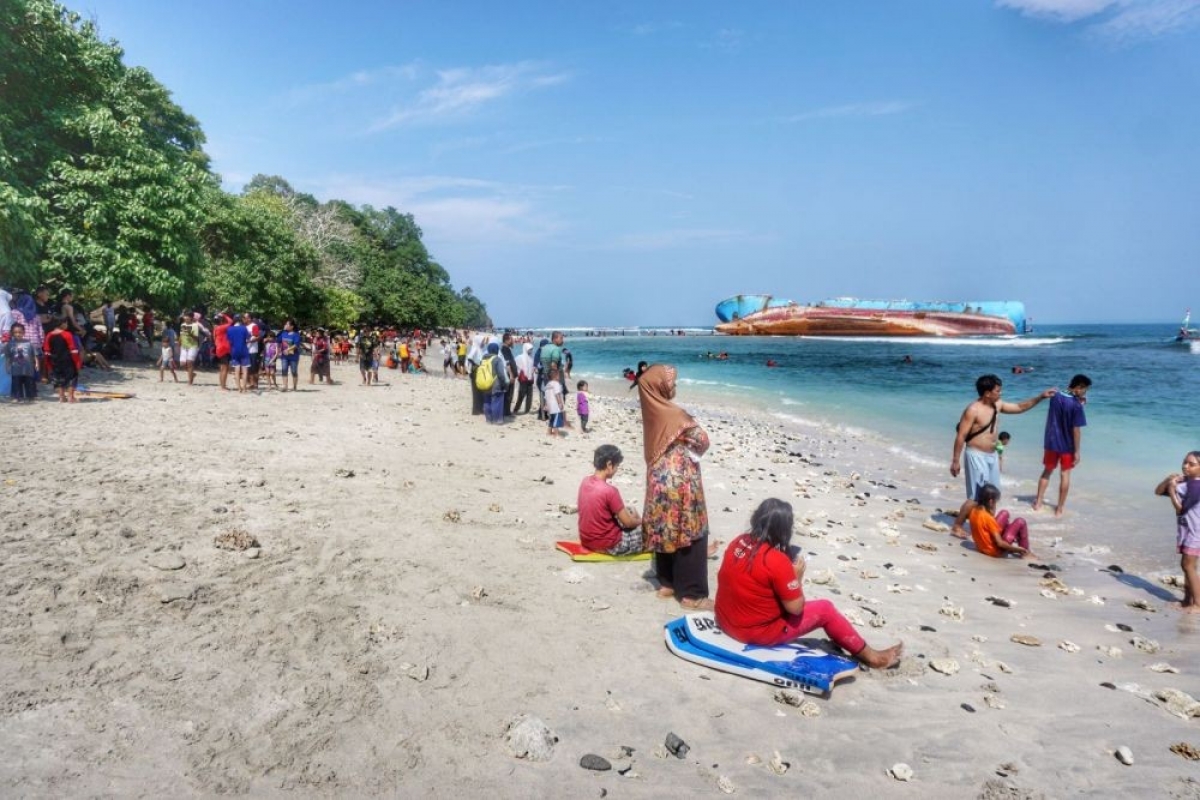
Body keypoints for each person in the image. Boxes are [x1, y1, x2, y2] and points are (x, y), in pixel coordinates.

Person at [715, 499, 903, 668]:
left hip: (725, 620)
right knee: (825, 609)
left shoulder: (738, 542)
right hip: (753, 633)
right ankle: (872, 658)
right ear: (784, 530)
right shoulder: (776, 561)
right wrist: (797, 578)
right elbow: (796, 609)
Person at [638, 364, 716, 609]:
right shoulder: (674, 414)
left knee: (664, 528)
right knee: (690, 531)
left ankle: (667, 583)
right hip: (680, 482)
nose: (674, 385)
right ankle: (692, 595)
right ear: (660, 385)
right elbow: (702, 440)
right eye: (671, 382)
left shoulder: (652, 410)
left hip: (658, 481)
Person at [949, 374, 1056, 537]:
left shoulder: (997, 405)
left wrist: (1041, 397)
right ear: (987, 393)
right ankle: (957, 525)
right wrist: (956, 461)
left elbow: (1020, 407)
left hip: (991, 456)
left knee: (993, 494)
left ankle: (988, 527)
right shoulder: (973, 410)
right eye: (997, 391)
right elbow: (961, 436)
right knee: (977, 496)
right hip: (975, 455)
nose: (1001, 393)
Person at [1033, 374, 1091, 517]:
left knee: (1047, 471)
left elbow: (1065, 402)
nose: (1085, 393)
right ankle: (1059, 509)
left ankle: (1038, 502)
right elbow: (1076, 430)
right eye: (1085, 389)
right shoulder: (1077, 405)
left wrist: (1078, 400)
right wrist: (1077, 451)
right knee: (1065, 475)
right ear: (1079, 387)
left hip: (1051, 442)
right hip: (1067, 446)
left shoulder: (1055, 396)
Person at [577, 445, 644, 555]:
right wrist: (641, 522)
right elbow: (628, 523)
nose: (617, 469)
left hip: (587, 540)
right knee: (651, 531)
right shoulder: (610, 491)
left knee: (630, 510)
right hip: (609, 545)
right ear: (609, 465)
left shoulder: (585, 481)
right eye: (617, 466)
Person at [1155, 451, 1200, 613]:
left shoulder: (1196, 486)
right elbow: (1158, 492)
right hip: (1186, 531)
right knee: (1188, 566)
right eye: (1185, 462)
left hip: (1196, 533)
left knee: (1188, 566)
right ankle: (1187, 600)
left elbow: (1181, 509)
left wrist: (1173, 490)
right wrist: (1168, 481)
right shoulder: (1185, 482)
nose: (1185, 466)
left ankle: (1197, 604)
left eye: (1191, 464)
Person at [967, 484, 1035, 559]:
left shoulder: (973, 511)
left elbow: (987, 522)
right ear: (991, 501)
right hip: (994, 551)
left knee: (1004, 513)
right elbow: (1000, 543)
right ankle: (1025, 552)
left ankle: (1011, 535)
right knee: (1020, 521)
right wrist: (1017, 549)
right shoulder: (988, 518)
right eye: (995, 502)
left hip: (981, 547)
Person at [43, 317, 80, 403]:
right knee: (71, 378)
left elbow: (46, 350)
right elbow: (73, 349)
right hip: (68, 361)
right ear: (62, 324)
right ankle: (71, 397)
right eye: (66, 323)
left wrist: (48, 364)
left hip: (54, 361)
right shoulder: (67, 334)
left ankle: (61, 397)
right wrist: (77, 363)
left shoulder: (49, 335)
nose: (67, 325)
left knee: (58, 379)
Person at [4, 322, 38, 402]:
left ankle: (30, 396)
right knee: (16, 383)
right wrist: (7, 366)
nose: (18, 334)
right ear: (12, 333)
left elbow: (35, 355)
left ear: (24, 332)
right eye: (15, 332)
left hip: (28, 368)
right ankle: (16, 397)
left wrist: (37, 363)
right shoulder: (10, 344)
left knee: (29, 382)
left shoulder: (29, 343)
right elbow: (8, 356)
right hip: (16, 368)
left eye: (20, 332)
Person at [481, 342, 508, 424]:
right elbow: (501, 374)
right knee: (497, 401)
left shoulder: (483, 358)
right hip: (496, 384)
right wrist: (504, 384)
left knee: (487, 401)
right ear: (496, 350)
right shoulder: (497, 359)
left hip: (485, 383)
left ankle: (489, 419)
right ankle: (497, 420)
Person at [225, 314, 250, 393]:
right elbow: (248, 338)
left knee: (236, 370)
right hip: (244, 350)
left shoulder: (229, 329)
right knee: (245, 371)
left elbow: (228, 340)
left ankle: (239, 388)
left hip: (234, 351)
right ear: (241, 320)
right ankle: (244, 388)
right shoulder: (244, 328)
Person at [277, 319, 302, 392]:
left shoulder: (296, 334)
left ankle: (294, 387)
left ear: (292, 326)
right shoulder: (283, 333)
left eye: (287, 324)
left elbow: (296, 345)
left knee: (294, 371)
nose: (286, 325)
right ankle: (285, 386)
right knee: (284, 370)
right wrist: (282, 330)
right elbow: (278, 340)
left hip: (293, 356)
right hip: (284, 356)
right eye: (285, 324)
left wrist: (287, 350)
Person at [544, 363, 565, 437]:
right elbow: (557, 394)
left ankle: (549, 432)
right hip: (555, 406)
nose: (559, 376)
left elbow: (546, 396)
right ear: (556, 376)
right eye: (558, 375)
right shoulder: (556, 384)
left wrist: (546, 405)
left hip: (550, 406)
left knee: (551, 420)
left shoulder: (547, 385)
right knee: (556, 419)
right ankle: (556, 433)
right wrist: (560, 403)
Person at [514, 341, 536, 414]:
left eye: (531, 349)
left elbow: (532, 367)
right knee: (521, 395)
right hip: (523, 379)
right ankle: (516, 409)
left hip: (530, 379)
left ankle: (527, 410)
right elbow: (516, 366)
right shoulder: (520, 357)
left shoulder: (531, 358)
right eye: (529, 349)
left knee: (530, 395)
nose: (531, 351)